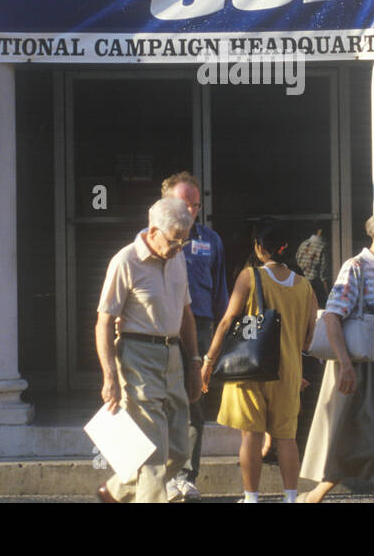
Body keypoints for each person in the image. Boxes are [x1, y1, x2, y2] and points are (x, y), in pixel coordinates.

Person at [300, 208, 374, 503]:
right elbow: (331, 317)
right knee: (351, 437)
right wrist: (346, 365)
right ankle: (314, 495)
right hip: (360, 359)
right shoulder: (355, 267)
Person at [95, 197, 203, 503]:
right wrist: (110, 376)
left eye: (184, 240)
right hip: (137, 355)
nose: (179, 247)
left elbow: (186, 314)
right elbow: (103, 322)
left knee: (179, 449)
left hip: (173, 356)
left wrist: (194, 362)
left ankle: (116, 491)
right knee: (154, 452)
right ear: (153, 231)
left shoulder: (178, 257)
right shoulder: (125, 261)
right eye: (174, 241)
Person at [201, 220, 316, 503]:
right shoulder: (304, 287)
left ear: (259, 248)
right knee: (287, 438)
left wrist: (208, 361)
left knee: (251, 437)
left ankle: (252, 498)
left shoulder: (249, 277)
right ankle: (291, 497)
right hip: (287, 372)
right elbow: (309, 337)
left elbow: (228, 321)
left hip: (249, 368)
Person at [161, 171, 227, 502]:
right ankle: (159, 476)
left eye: (196, 205)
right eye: (185, 204)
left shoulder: (210, 241)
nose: (191, 211)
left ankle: (186, 476)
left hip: (199, 327)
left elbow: (220, 295)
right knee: (158, 402)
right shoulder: (149, 238)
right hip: (159, 328)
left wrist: (213, 346)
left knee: (192, 402)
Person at [295, 226, 331, 306]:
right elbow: (324, 276)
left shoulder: (303, 244)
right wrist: (330, 297)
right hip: (315, 288)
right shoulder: (323, 246)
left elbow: (297, 263)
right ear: (320, 231)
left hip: (300, 286)